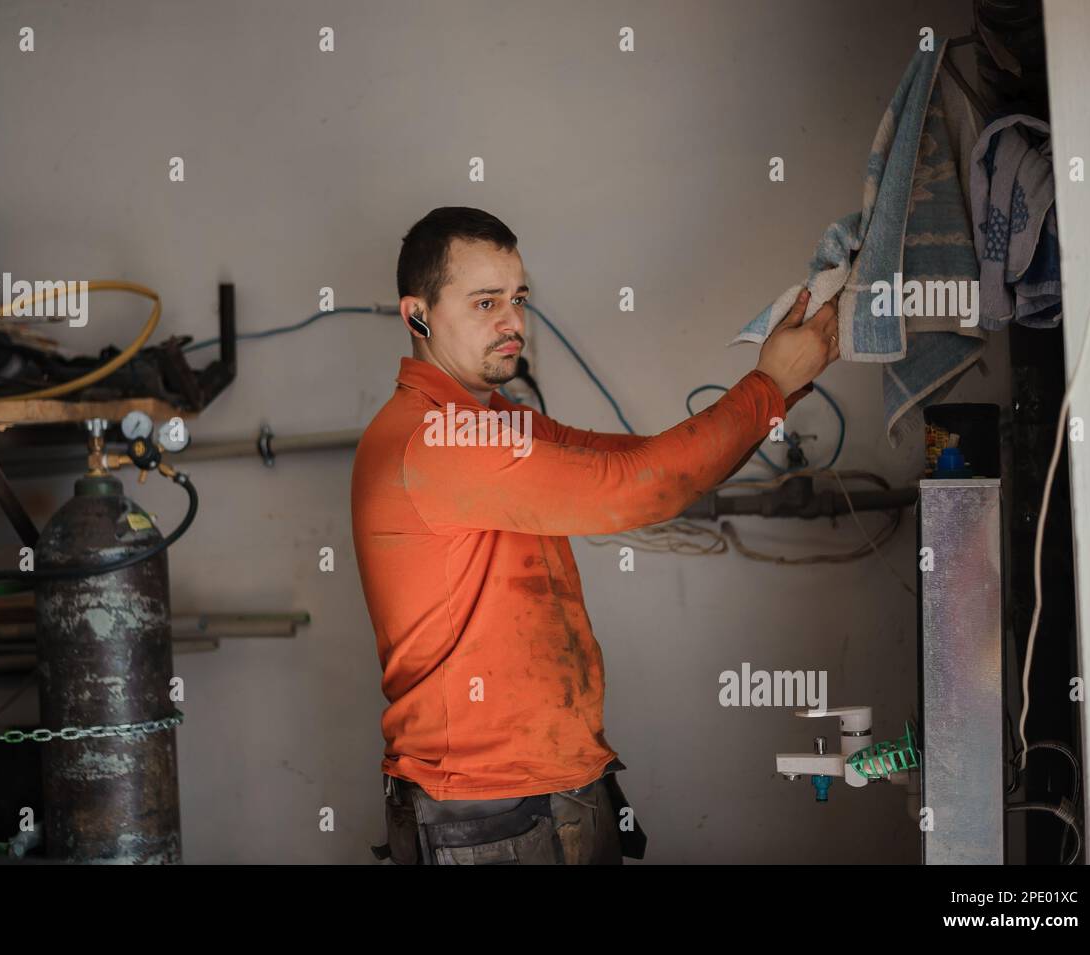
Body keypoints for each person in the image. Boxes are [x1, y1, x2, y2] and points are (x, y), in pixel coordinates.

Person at [351, 206, 839, 864]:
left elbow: (650, 463)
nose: (514, 322)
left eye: (518, 299)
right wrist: (770, 384)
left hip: (540, 793)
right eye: (486, 302)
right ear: (417, 315)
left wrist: (784, 386)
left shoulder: (494, 424)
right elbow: (638, 486)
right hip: (489, 810)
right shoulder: (434, 438)